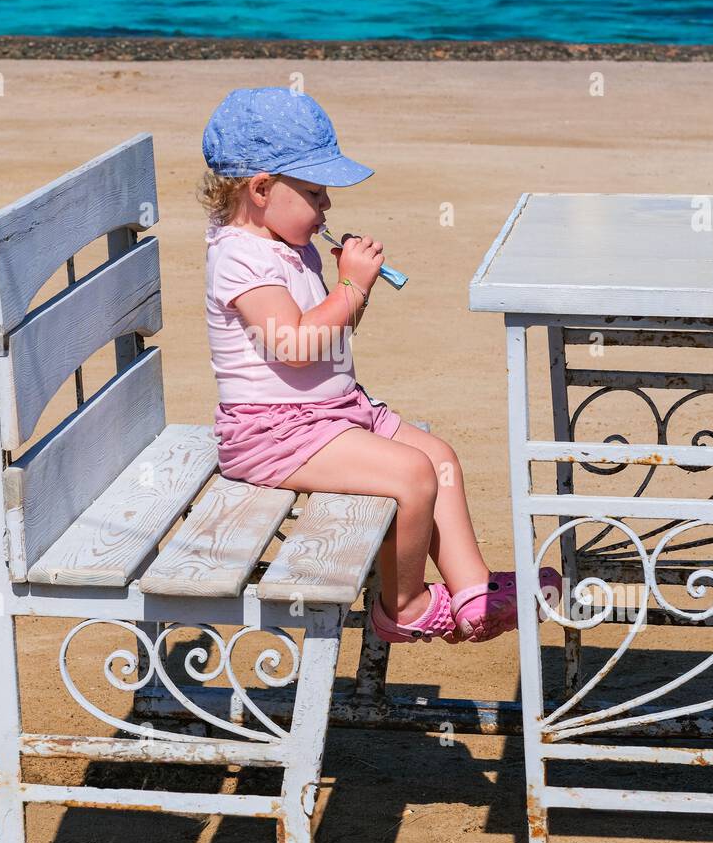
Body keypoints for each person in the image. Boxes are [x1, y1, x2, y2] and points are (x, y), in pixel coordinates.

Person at [197, 86, 560, 644]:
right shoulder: (240, 259)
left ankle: (472, 592)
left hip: (333, 411)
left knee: (437, 457)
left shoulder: (291, 246)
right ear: (262, 189)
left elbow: (332, 337)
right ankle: (406, 605)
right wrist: (351, 286)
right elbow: (294, 346)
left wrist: (349, 294)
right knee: (410, 476)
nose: (327, 208)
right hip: (273, 434)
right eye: (316, 193)